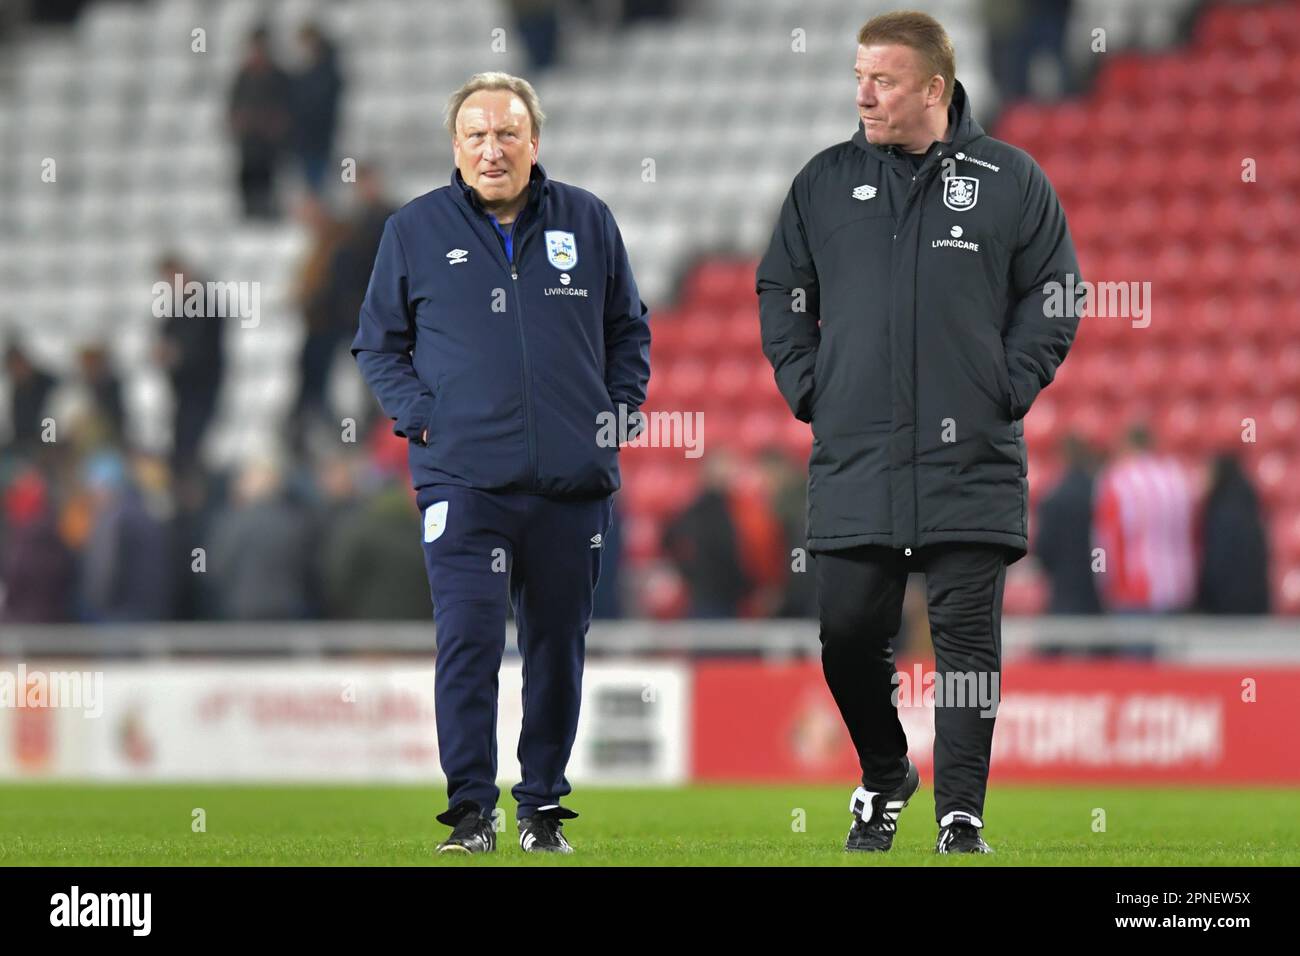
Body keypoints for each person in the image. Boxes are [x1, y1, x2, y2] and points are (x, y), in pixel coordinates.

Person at [757, 11, 1082, 855]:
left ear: (934, 88)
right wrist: (811, 387)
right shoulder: (824, 183)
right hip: (857, 456)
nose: (863, 93)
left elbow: (1055, 294)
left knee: (969, 647)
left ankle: (961, 813)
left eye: (884, 79)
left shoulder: (1012, 179)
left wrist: (1005, 386)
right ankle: (884, 769)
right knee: (846, 638)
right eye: (859, 75)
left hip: (969, 457)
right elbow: (780, 291)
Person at [351, 72, 650, 855]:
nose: (493, 148)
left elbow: (629, 331)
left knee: (557, 646)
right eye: (477, 135)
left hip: (572, 484)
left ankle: (543, 808)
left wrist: (613, 418)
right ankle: (471, 813)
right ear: (456, 147)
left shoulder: (587, 220)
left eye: (508, 133)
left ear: (534, 142)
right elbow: (378, 344)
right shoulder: (413, 231)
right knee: (470, 640)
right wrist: (425, 420)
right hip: (463, 480)